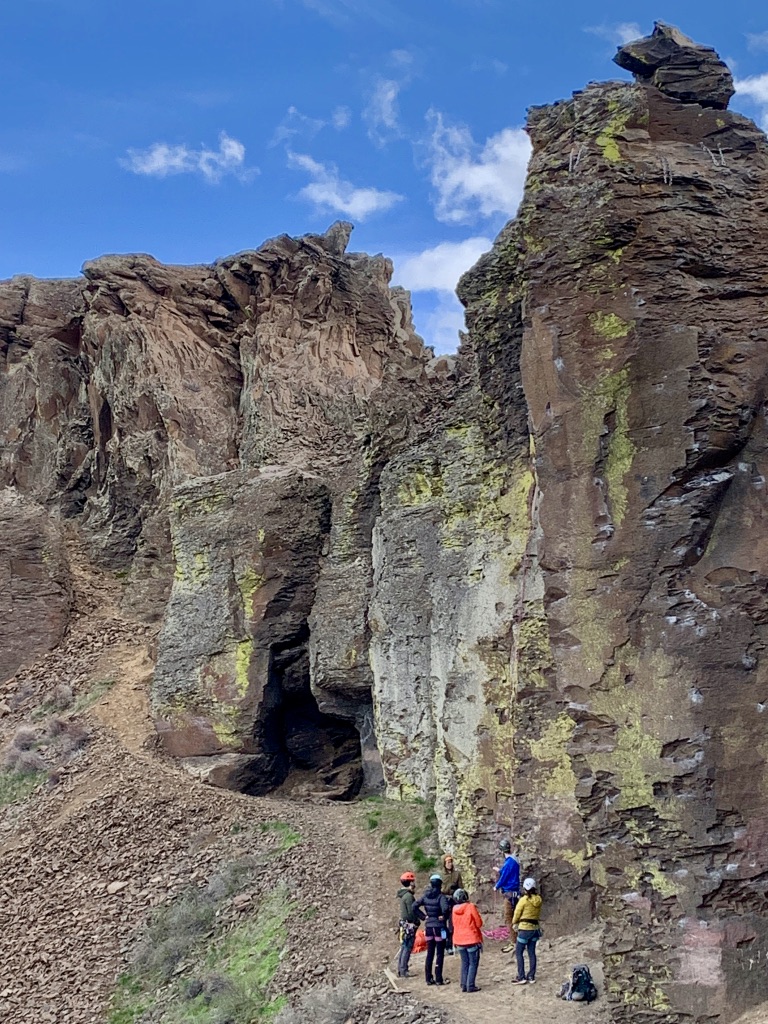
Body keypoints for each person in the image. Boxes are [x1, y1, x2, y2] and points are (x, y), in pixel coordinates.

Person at [415, 873, 452, 986]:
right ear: (440, 884)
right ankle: (438, 978)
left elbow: (414, 906)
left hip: (429, 928)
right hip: (439, 927)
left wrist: (423, 916)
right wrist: (444, 916)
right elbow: (446, 908)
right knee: (440, 954)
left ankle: (428, 978)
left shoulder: (425, 896)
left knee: (430, 953)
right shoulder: (441, 897)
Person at [451, 888, 484, 993]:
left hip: (459, 940)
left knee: (464, 962)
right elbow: (479, 923)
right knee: (473, 963)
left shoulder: (454, 909)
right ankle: (470, 985)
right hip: (471, 939)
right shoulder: (470, 907)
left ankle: (464, 984)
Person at [512, 877, 542, 985]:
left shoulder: (523, 900)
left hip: (524, 929)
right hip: (535, 929)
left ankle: (521, 976)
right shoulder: (538, 899)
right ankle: (531, 976)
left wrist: (514, 923)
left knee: (519, 952)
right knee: (531, 952)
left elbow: (517, 913)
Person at [494, 839, 520, 951]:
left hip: (509, 894)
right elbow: (507, 872)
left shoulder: (509, 862)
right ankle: (519, 940)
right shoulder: (514, 860)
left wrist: (496, 886)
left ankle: (514, 942)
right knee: (517, 916)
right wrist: (500, 870)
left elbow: (504, 877)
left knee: (509, 918)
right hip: (516, 893)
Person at [396, 872, 423, 978]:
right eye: (413, 881)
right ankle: (404, 970)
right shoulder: (408, 897)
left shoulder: (404, 895)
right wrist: (417, 921)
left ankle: (401, 969)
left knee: (404, 946)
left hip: (405, 924)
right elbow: (411, 912)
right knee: (407, 947)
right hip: (410, 925)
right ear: (410, 882)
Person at [440, 854, 463, 954]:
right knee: (442, 925)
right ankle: (443, 945)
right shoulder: (440, 875)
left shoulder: (457, 874)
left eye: (451, 861)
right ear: (444, 864)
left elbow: (461, 888)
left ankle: (451, 944)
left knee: (452, 925)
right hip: (444, 901)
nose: (450, 864)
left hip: (454, 900)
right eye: (448, 862)